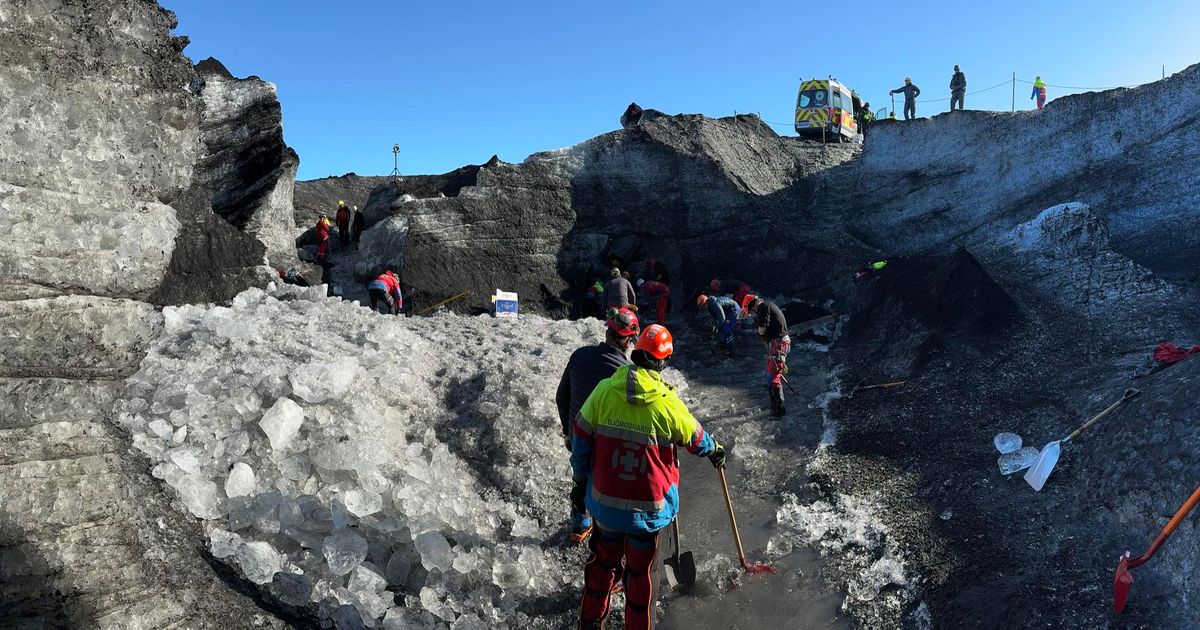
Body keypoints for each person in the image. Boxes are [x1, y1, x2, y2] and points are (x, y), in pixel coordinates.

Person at [570, 324, 725, 630]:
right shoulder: (668, 402)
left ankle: (589, 625)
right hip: (647, 512)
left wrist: (579, 481)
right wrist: (715, 450)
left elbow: (580, 438)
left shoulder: (604, 391)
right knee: (641, 578)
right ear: (662, 361)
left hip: (606, 508)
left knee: (602, 567)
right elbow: (697, 439)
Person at [555, 307, 640, 543]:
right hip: (606, 444)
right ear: (628, 340)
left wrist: (568, 431)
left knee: (580, 477)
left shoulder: (579, 355)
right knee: (604, 486)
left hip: (576, 437)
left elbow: (561, 396)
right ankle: (605, 530)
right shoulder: (624, 372)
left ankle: (580, 522)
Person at [746, 296, 789, 416]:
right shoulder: (769, 306)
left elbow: (762, 330)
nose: (753, 314)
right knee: (770, 375)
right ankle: (776, 407)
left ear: (754, 306)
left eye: (752, 312)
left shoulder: (764, 307)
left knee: (773, 378)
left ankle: (779, 411)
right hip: (779, 343)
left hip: (779, 345)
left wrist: (761, 334)